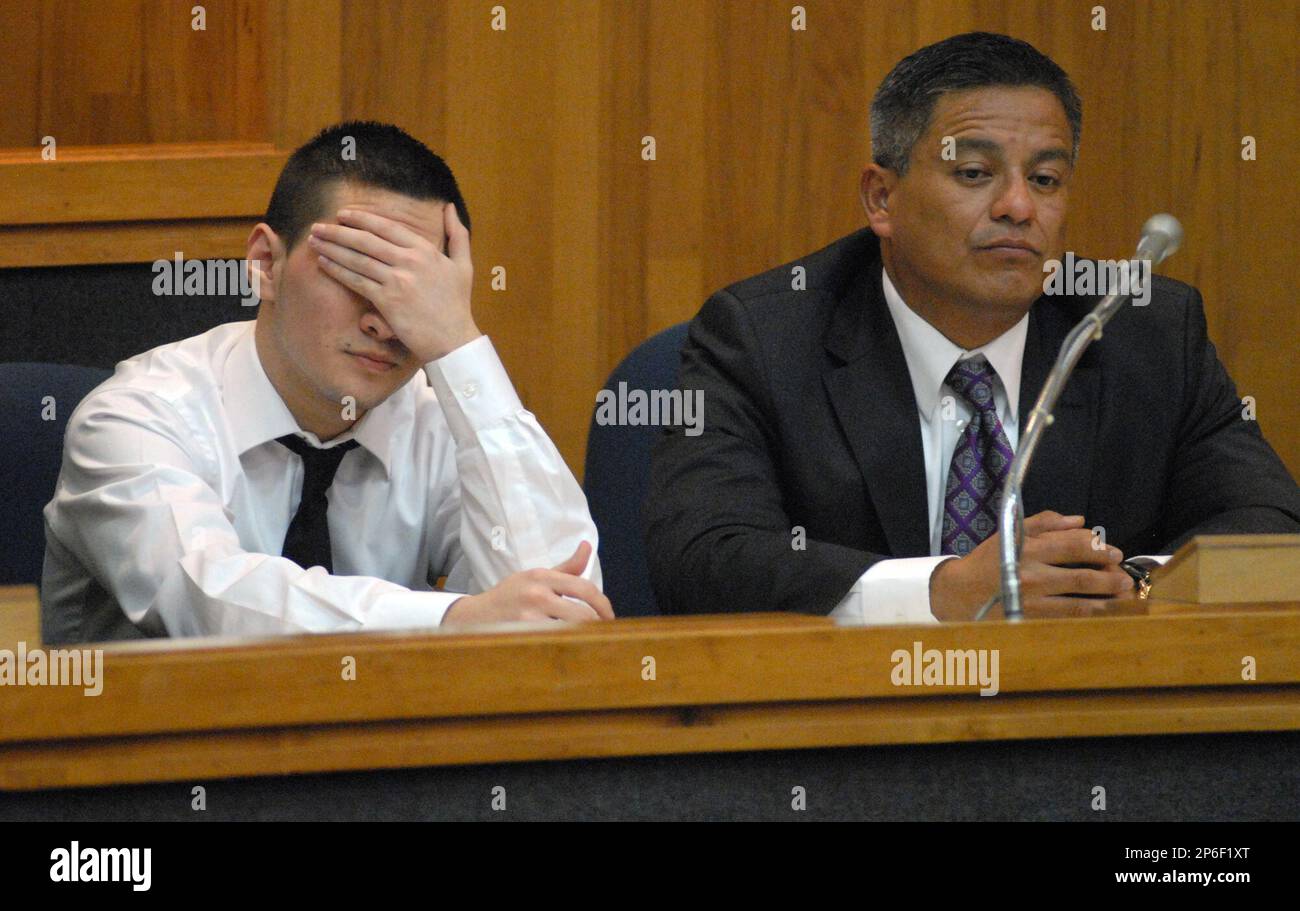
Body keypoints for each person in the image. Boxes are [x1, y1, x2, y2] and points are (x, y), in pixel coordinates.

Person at [645, 32, 1300, 623]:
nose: (1018, 207)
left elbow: (1272, 533)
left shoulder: (1143, 331)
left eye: (1046, 178)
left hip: (1089, 731)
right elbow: (702, 557)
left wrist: (1129, 583)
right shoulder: (764, 337)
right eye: (975, 173)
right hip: (853, 737)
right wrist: (942, 591)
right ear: (882, 198)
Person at [42, 121, 611, 643]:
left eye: (414, 291)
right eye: (356, 272)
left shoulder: (436, 420)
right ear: (266, 264)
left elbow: (565, 610)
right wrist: (448, 619)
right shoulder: (135, 417)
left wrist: (458, 345)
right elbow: (207, 600)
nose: (384, 322)